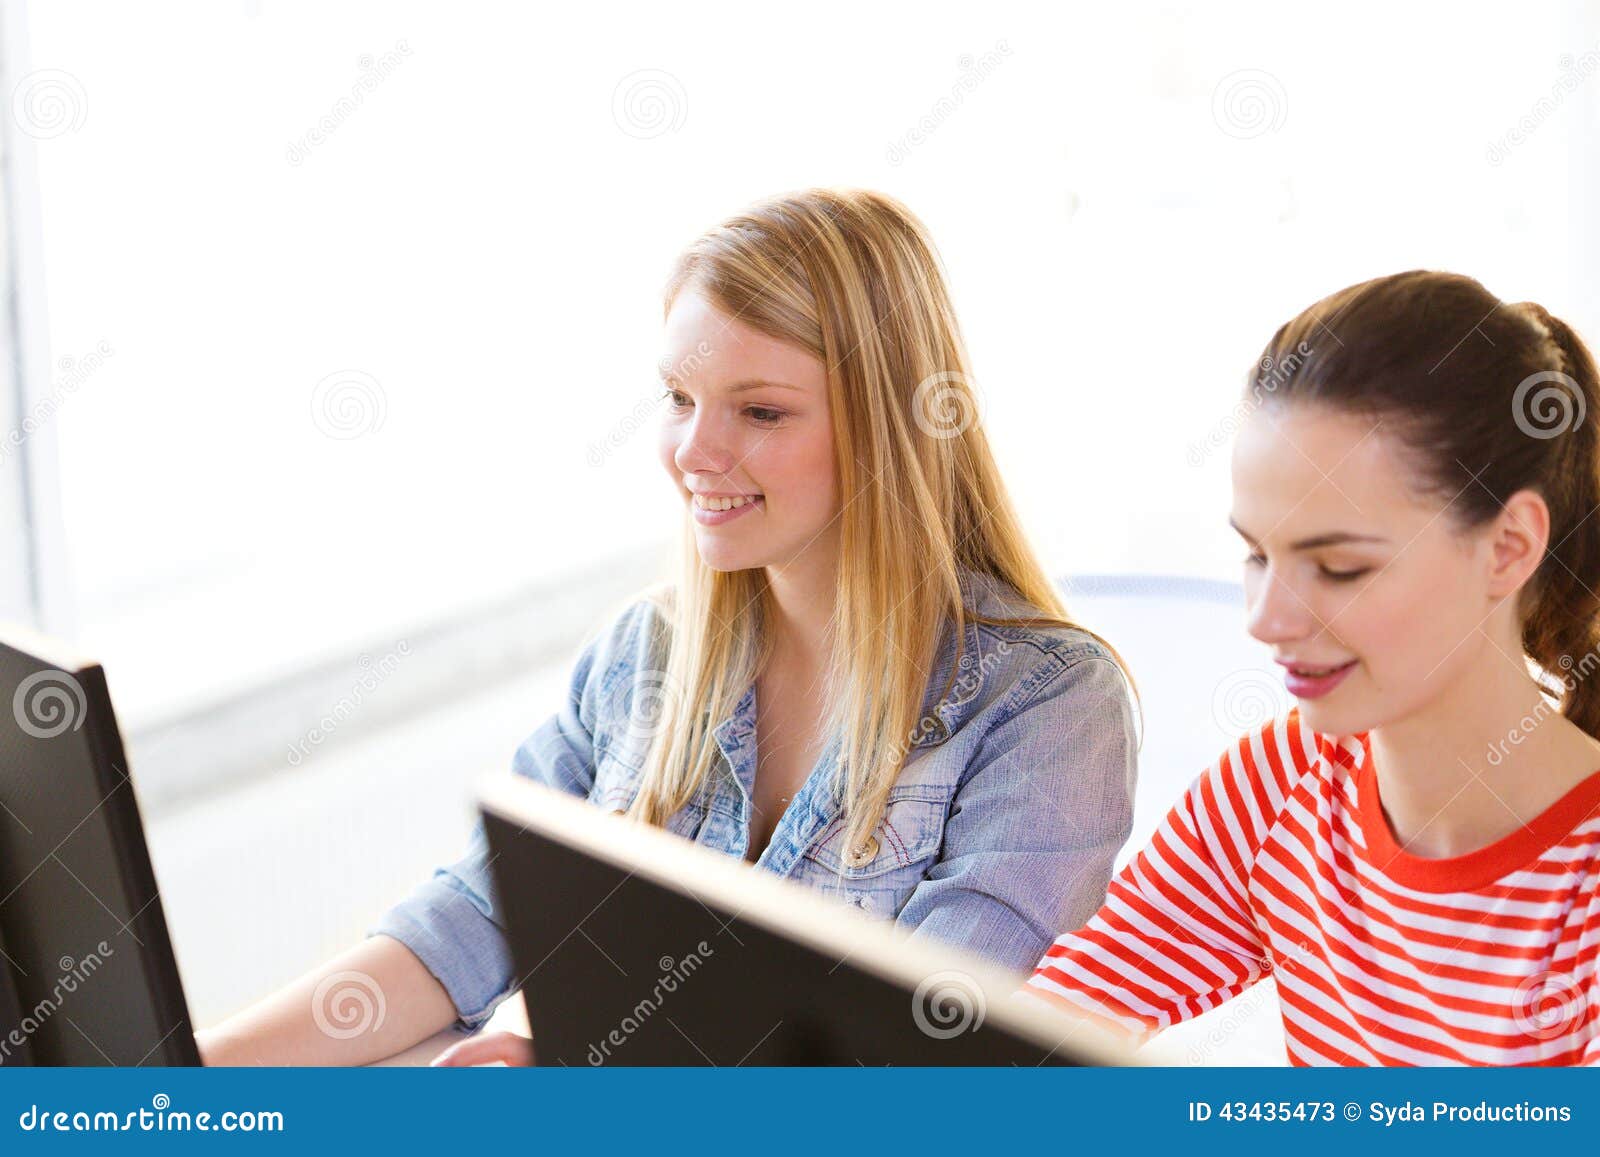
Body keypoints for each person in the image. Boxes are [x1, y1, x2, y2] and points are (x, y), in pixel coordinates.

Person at [197, 188, 1137, 1066]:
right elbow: (474, 918)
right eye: (680, 400)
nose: (694, 451)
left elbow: (918, 1054)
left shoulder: (1046, 705)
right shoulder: (642, 652)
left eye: (759, 411)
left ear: (891, 427)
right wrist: (187, 1073)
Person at [1027, 270, 1600, 1065]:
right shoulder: (1284, 778)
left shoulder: (1580, 896)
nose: (1266, 619)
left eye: (1337, 567)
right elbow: (1033, 1042)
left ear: (1507, 548)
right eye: (1258, 556)